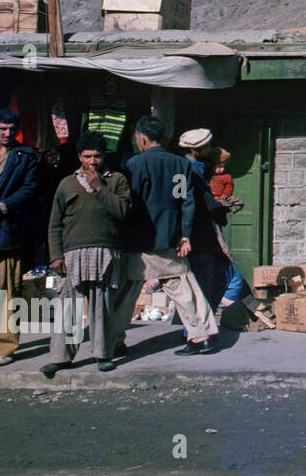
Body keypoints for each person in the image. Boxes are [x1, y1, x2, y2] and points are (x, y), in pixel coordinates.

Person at [122, 116, 219, 356]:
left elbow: (130, 203)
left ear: (141, 138)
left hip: (140, 241)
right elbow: (184, 202)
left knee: (124, 295)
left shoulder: (135, 164)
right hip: (170, 238)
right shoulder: (179, 165)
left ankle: (112, 341)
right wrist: (184, 235)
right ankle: (202, 336)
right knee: (185, 289)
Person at [41, 132, 132, 376]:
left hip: (105, 251)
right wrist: (55, 255)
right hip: (71, 254)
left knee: (101, 305)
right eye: (87, 156)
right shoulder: (66, 184)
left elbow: (123, 211)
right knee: (67, 306)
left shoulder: (117, 181)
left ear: (104, 156)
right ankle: (61, 357)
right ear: (79, 157)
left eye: (97, 156)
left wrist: (99, 187)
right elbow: (55, 224)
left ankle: (102, 354)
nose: (93, 162)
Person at [0, 108, 40, 366]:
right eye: (2, 129)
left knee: (1, 293)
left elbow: (29, 189)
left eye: (11, 130)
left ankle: (2, 348)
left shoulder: (25, 156)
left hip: (3, 230)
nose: (7, 134)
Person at [177, 128, 231, 313]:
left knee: (214, 278)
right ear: (195, 150)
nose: (210, 149)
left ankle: (197, 325)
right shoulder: (183, 170)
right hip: (196, 235)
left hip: (202, 234)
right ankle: (196, 327)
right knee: (204, 281)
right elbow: (182, 202)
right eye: (206, 146)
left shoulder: (201, 169)